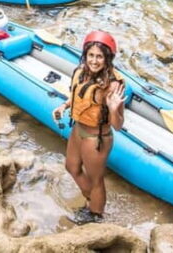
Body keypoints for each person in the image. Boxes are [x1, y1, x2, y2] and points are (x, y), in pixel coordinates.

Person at [52, 31, 125, 224]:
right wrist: (64, 105)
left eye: (99, 56)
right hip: (78, 129)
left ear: (107, 58)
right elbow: (79, 95)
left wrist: (113, 109)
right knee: (71, 167)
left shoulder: (113, 85)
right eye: (91, 55)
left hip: (97, 138)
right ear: (85, 55)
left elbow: (118, 125)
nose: (94, 61)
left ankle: (95, 215)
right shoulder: (81, 71)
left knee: (96, 181)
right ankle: (91, 202)